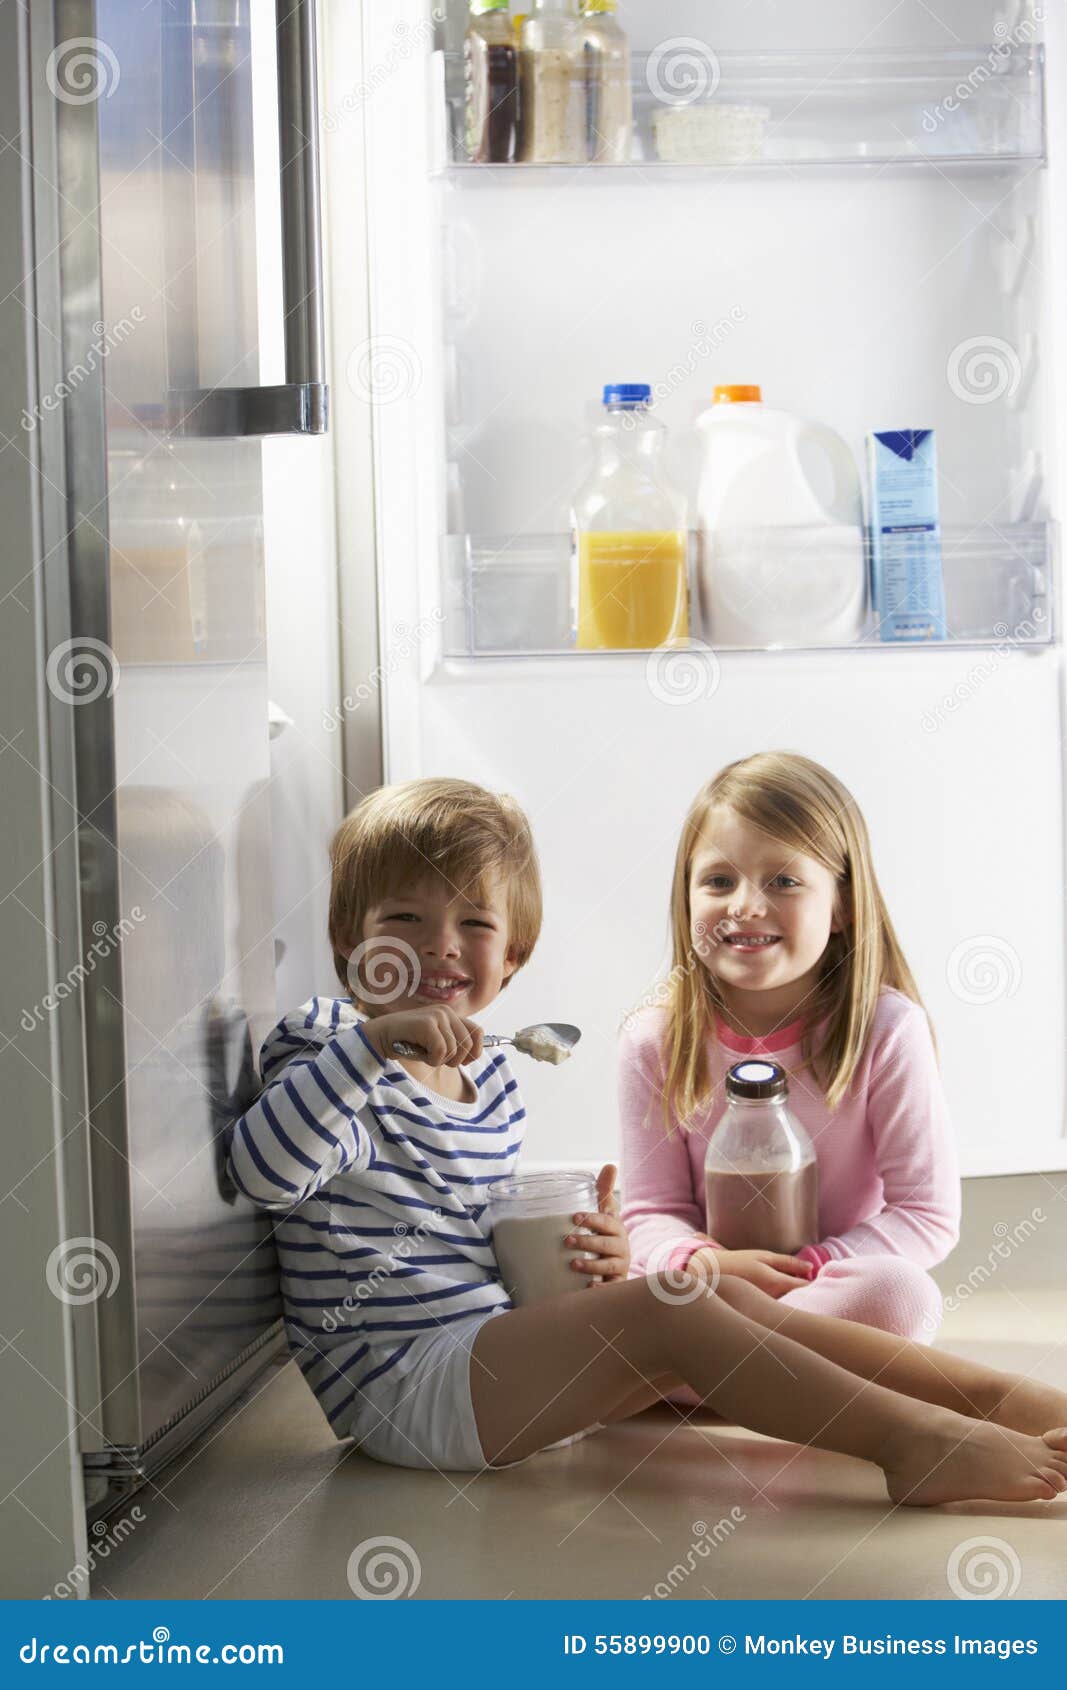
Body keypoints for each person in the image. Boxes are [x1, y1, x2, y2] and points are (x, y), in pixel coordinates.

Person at [225, 776, 1067, 1503]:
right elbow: (263, 1172)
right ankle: (913, 1444)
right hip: (407, 1389)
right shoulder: (327, 1042)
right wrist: (369, 1047)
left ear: (512, 955)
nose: (440, 945)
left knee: (718, 1299)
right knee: (671, 1310)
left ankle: (1009, 1399)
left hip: (482, 1355)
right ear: (348, 940)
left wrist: (588, 1258)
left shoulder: (496, 1082)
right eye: (404, 917)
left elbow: (472, 1251)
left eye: (475, 925)